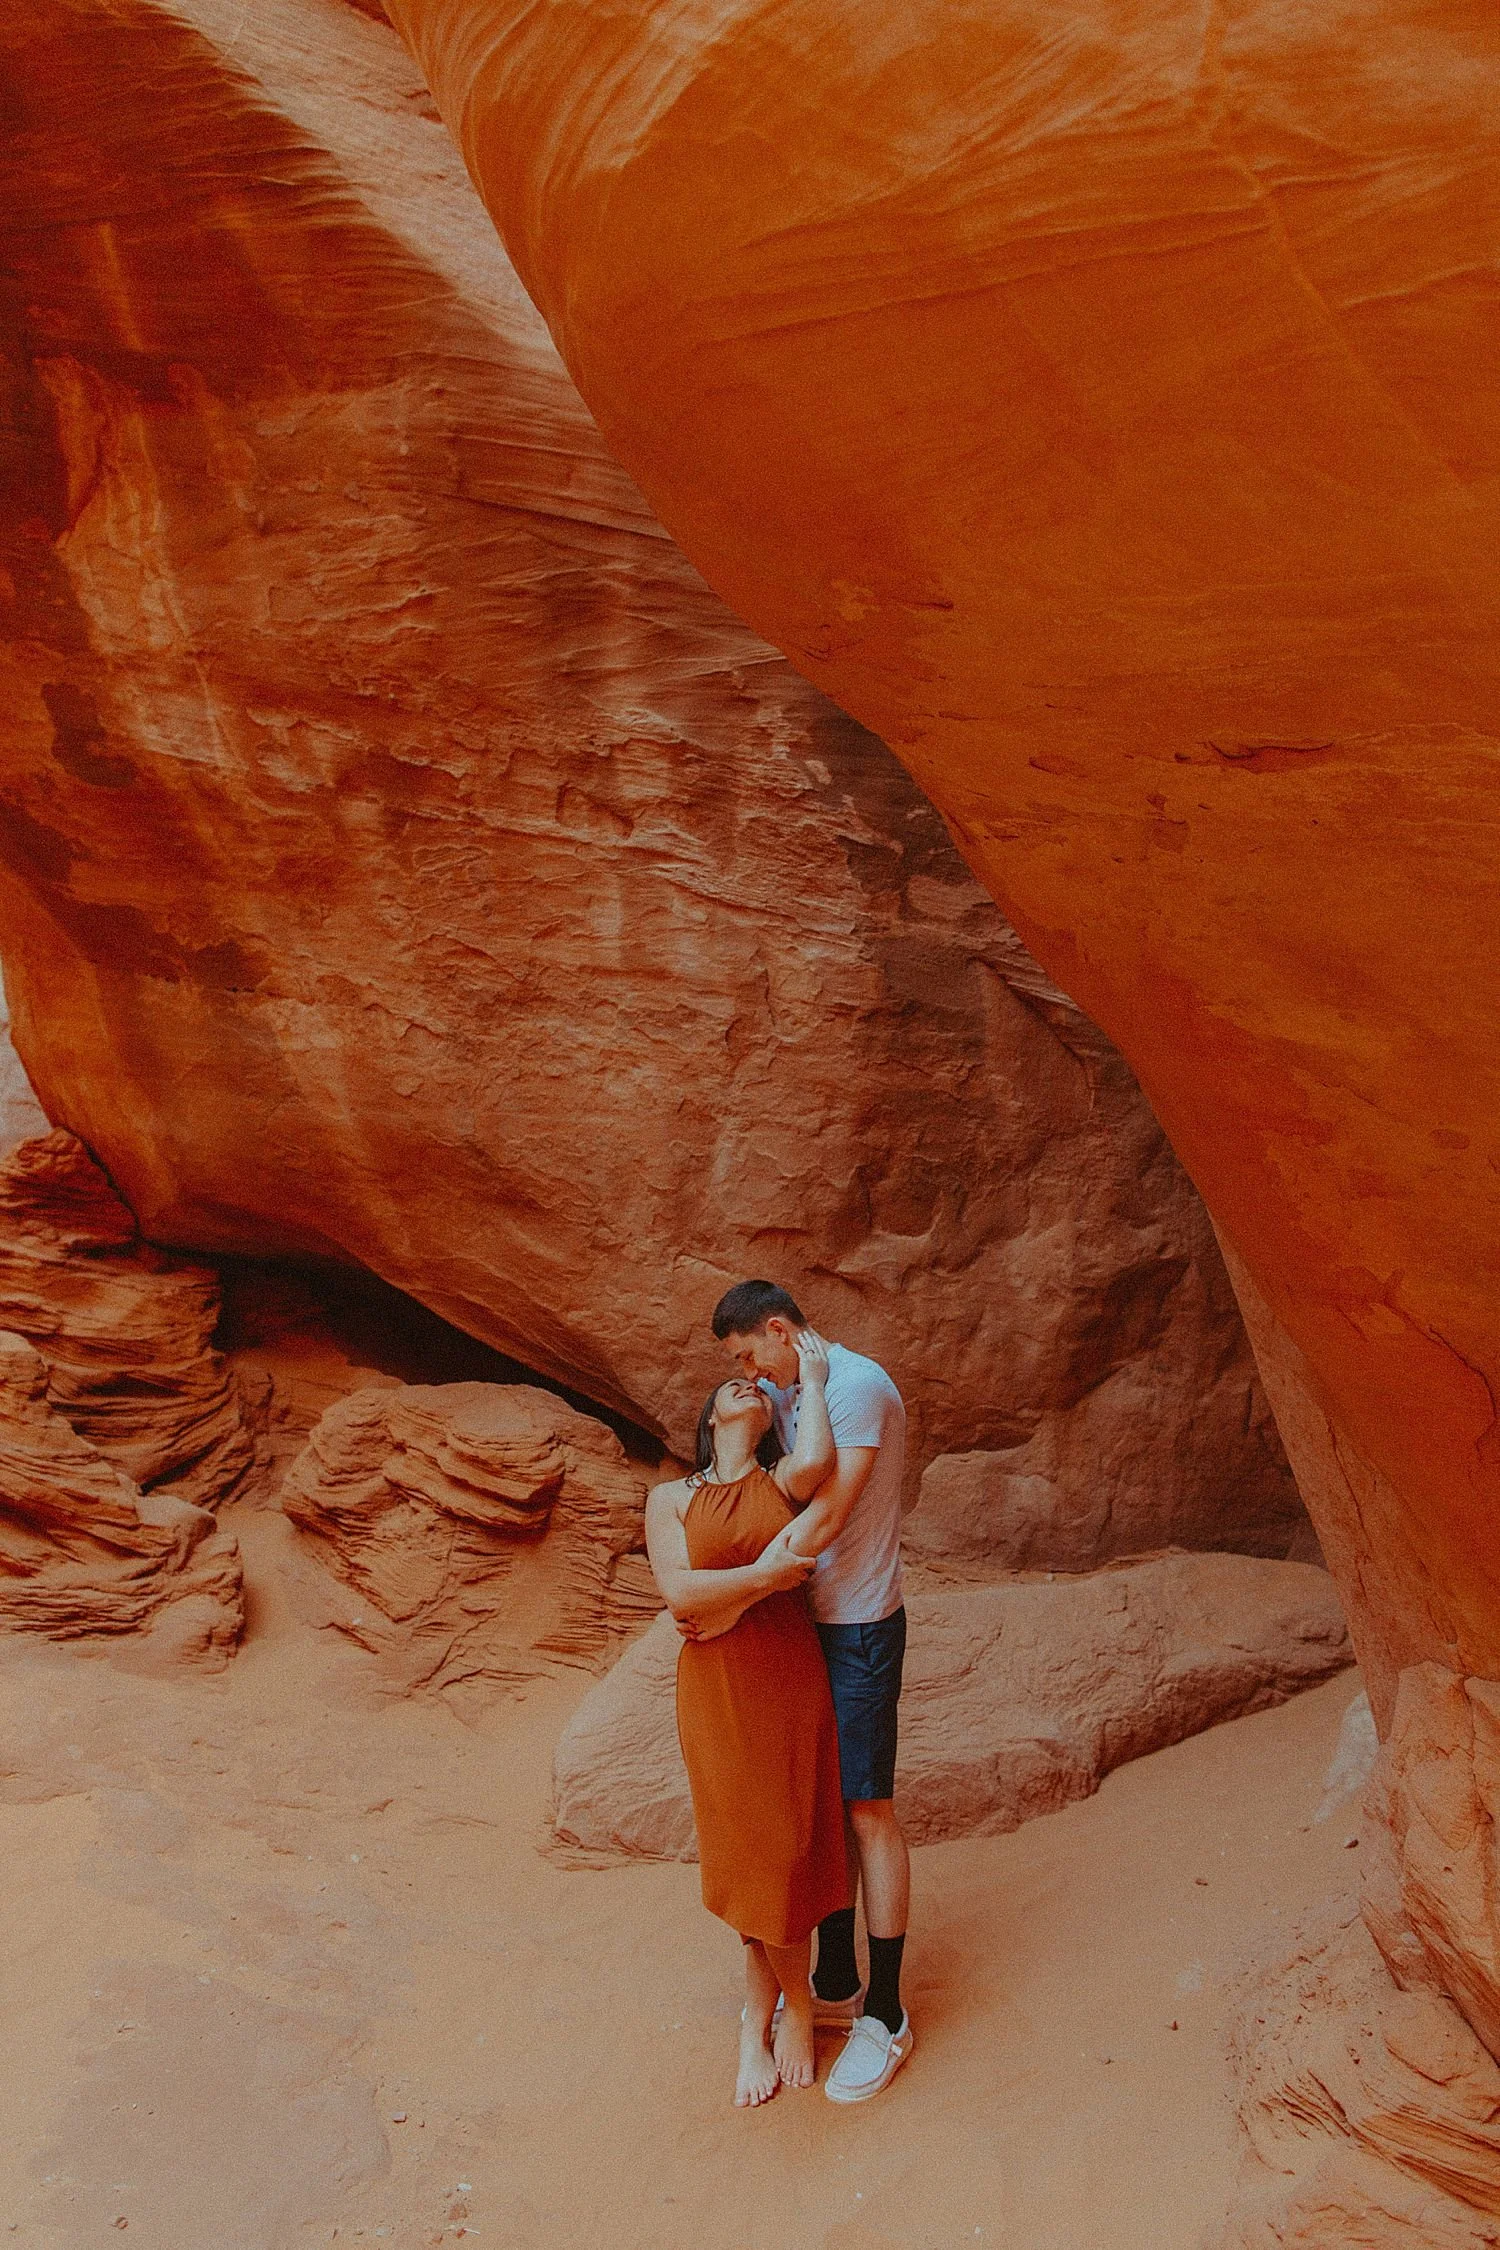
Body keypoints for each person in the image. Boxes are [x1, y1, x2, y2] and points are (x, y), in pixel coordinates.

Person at [709, 1279, 913, 2104]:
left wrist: (728, 1589)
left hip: (857, 1626)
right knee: (814, 1805)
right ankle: (833, 1975)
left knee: (866, 1809)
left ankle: (888, 2013)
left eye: (748, 1354)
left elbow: (823, 1521)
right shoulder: (793, 1394)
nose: (747, 1372)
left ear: (778, 1329)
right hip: (802, 1627)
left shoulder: (856, 1386)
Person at [645, 1328, 850, 2108]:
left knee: (788, 1848)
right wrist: (765, 1577)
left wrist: (815, 1382)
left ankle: (770, 2012)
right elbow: (680, 1594)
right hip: (718, 1688)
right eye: (732, 1386)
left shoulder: (783, 1481)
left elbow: (822, 1461)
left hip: (789, 1678)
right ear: (709, 1417)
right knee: (749, 1851)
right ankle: (786, 2008)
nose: (747, 1387)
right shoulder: (671, 1498)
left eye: (759, 1389)